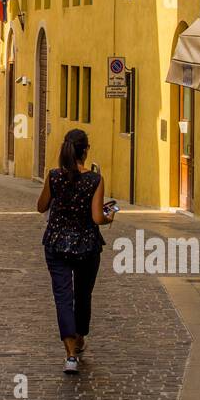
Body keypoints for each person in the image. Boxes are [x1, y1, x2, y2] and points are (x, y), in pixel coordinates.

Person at [37, 128, 115, 375]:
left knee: (63, 297)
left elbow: (41, 207)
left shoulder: (54, 176)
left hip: (57, 243)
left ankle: (70, 354)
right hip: (87, 245)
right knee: (83, 295)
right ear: (85, 151)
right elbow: (96, 217)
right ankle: (79, 338)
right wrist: (109, 216)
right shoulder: (94, 179)